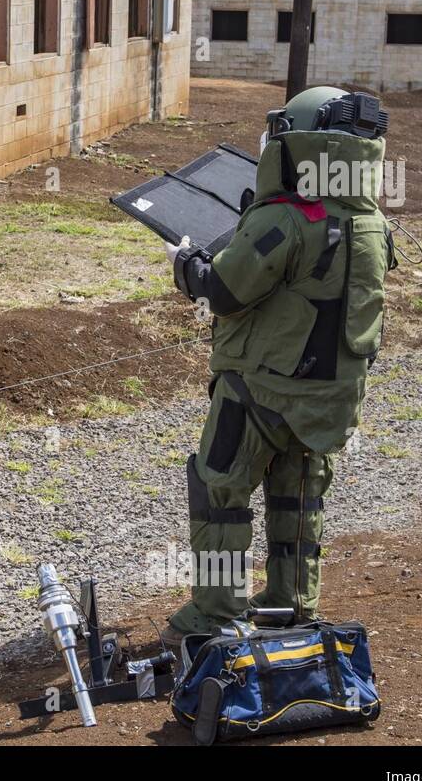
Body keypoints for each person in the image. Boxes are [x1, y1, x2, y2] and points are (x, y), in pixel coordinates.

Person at [160, 86, 396, 648]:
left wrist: (185, 266)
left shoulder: (287, 218)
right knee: (298, 498)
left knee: (220, 493)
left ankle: (216, 618)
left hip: (258, 388)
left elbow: (225, 290)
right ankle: (292, 606)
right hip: (328, 396)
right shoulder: (372, 224)